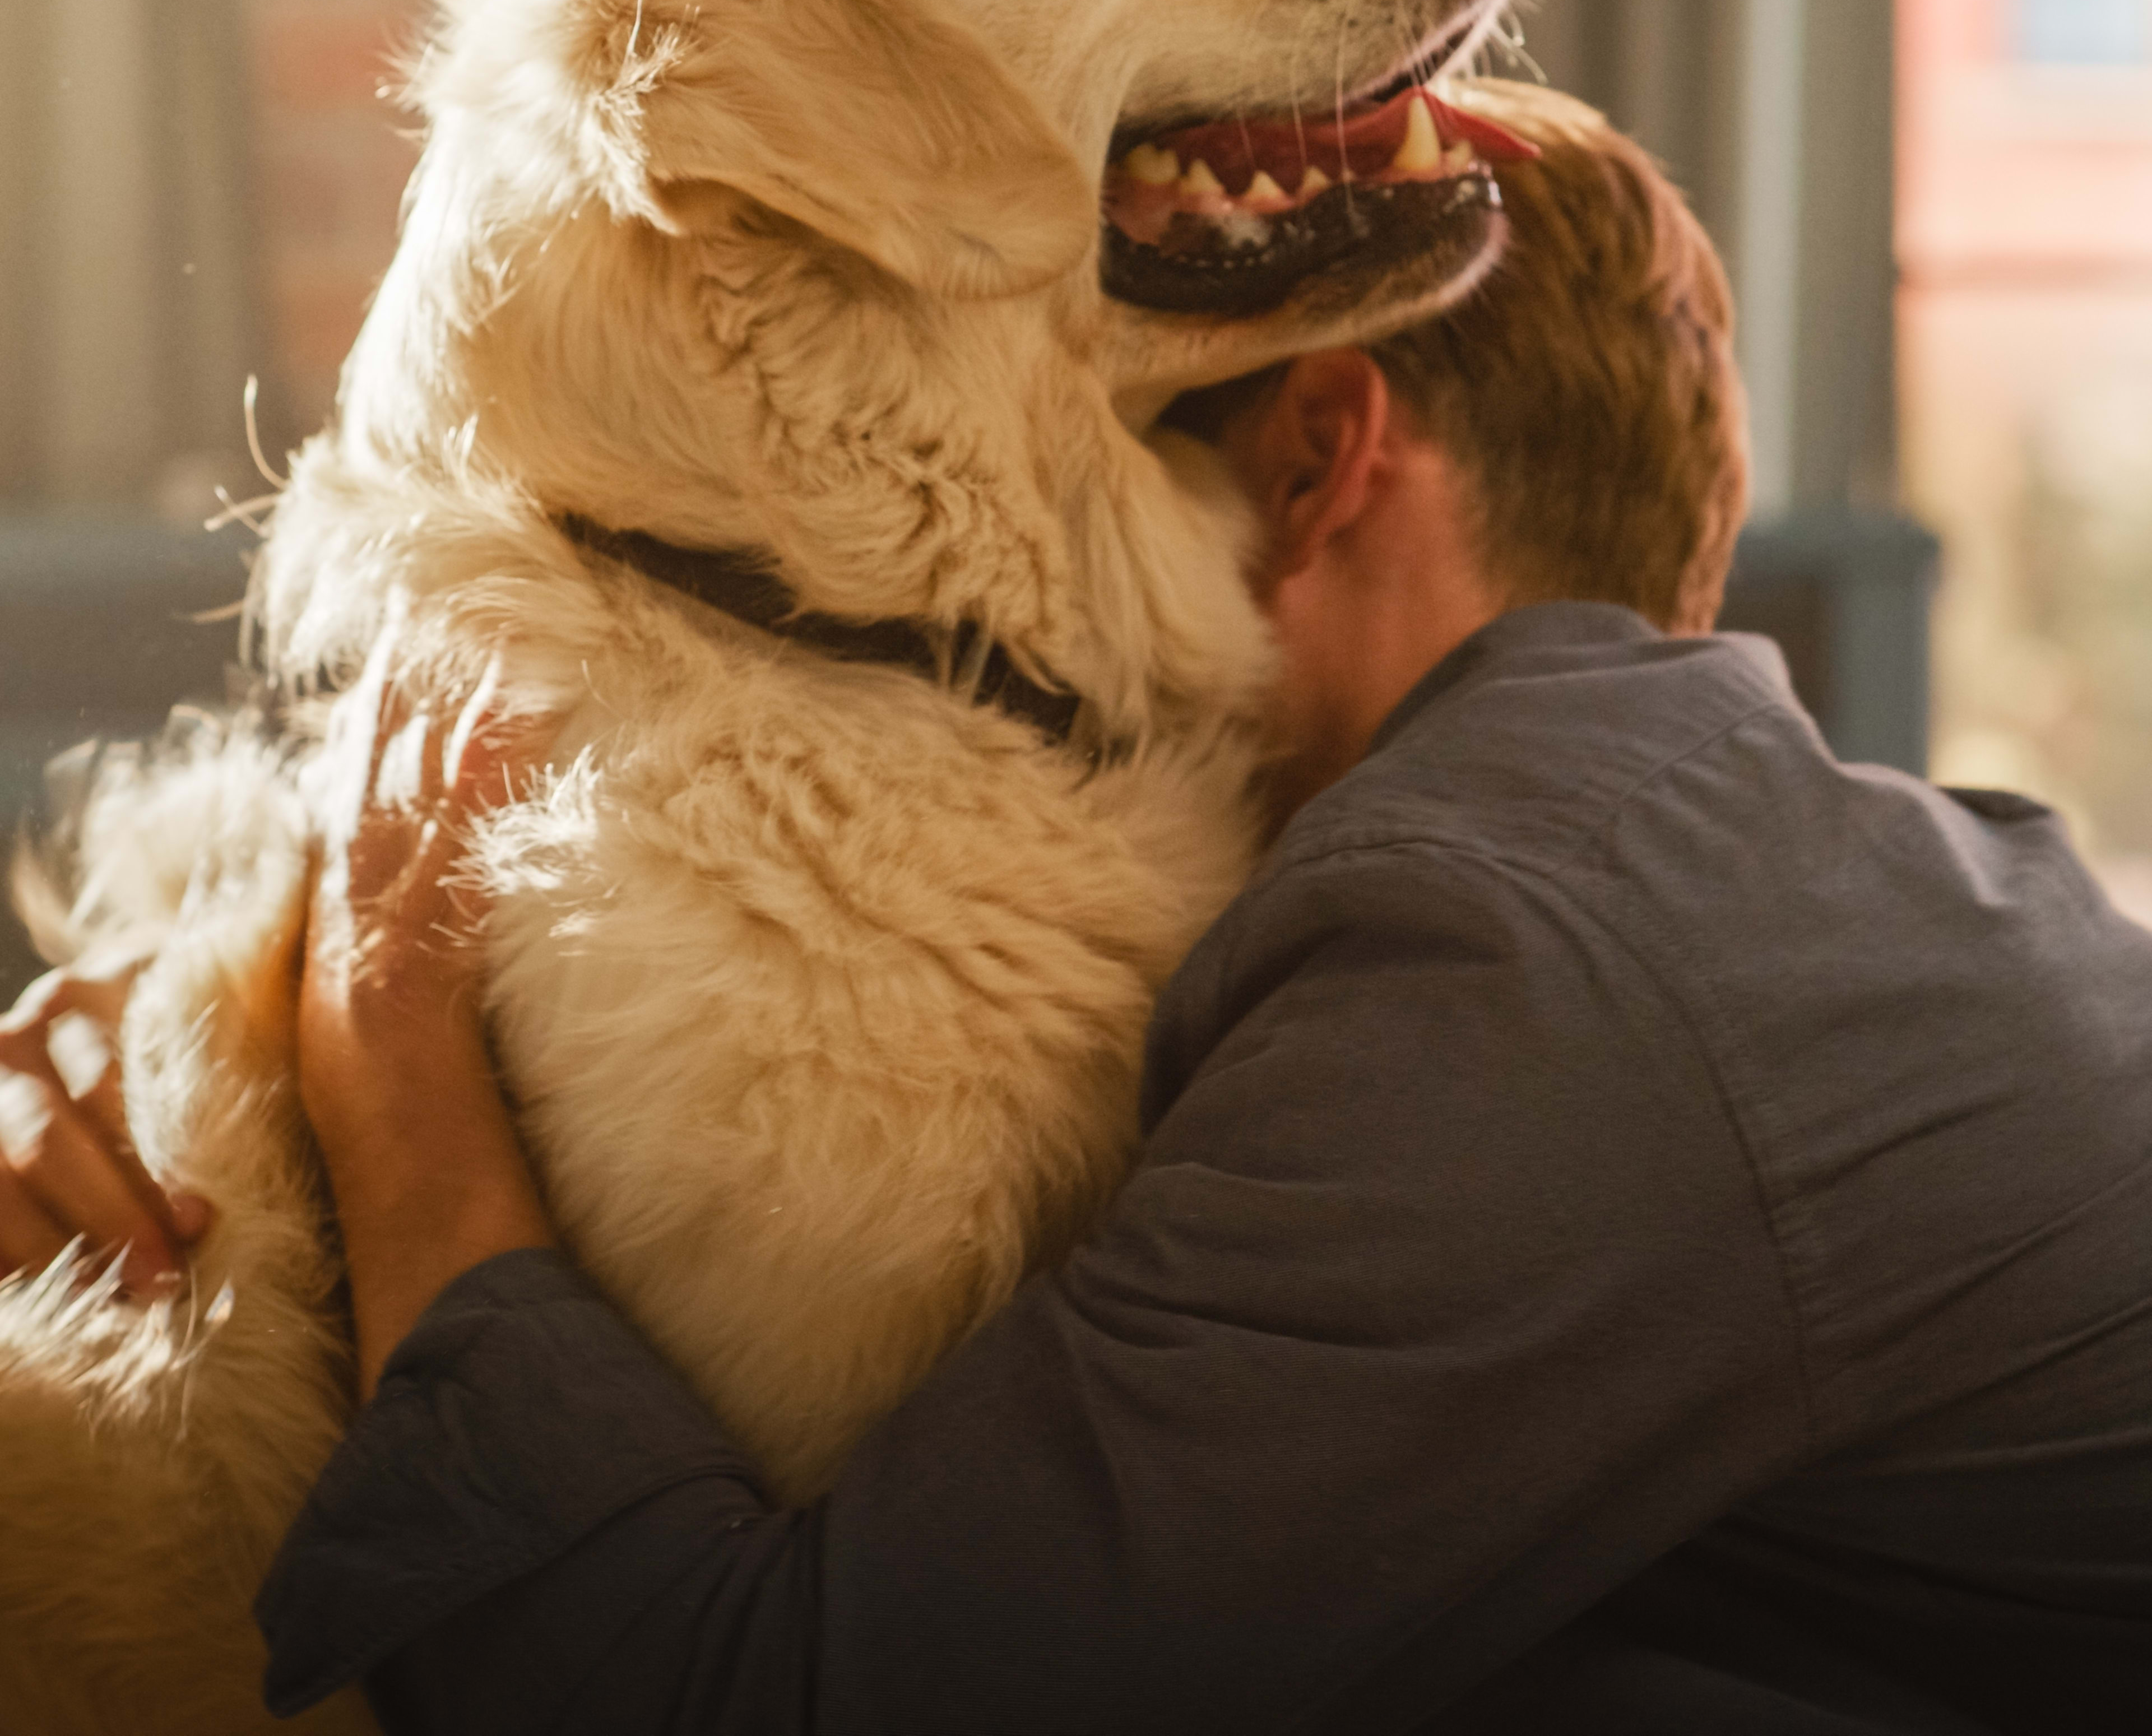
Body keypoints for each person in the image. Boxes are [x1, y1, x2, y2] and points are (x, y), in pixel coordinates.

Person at [12, 89, 2152, 1733]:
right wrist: (187, 1035)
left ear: (1317, 456)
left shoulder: (1522, 953)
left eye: (1095, 449)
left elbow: (764, 1705)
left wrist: (386, 1034)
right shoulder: (1728, 865)